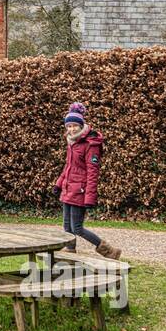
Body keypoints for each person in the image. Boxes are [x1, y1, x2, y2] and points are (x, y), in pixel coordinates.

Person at [54, 102, 122, 259]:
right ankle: (70, 250)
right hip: (68, 188)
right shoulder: (72, 142)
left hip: (80, 191)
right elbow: (68, 167)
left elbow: (93, 172)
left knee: (77, 228)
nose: (71, 129)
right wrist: (59, 183)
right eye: (69, 126)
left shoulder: (90, 144)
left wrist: (90, 197)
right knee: (67, 226)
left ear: (81, 125)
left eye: (74, 126)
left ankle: (110, 251)